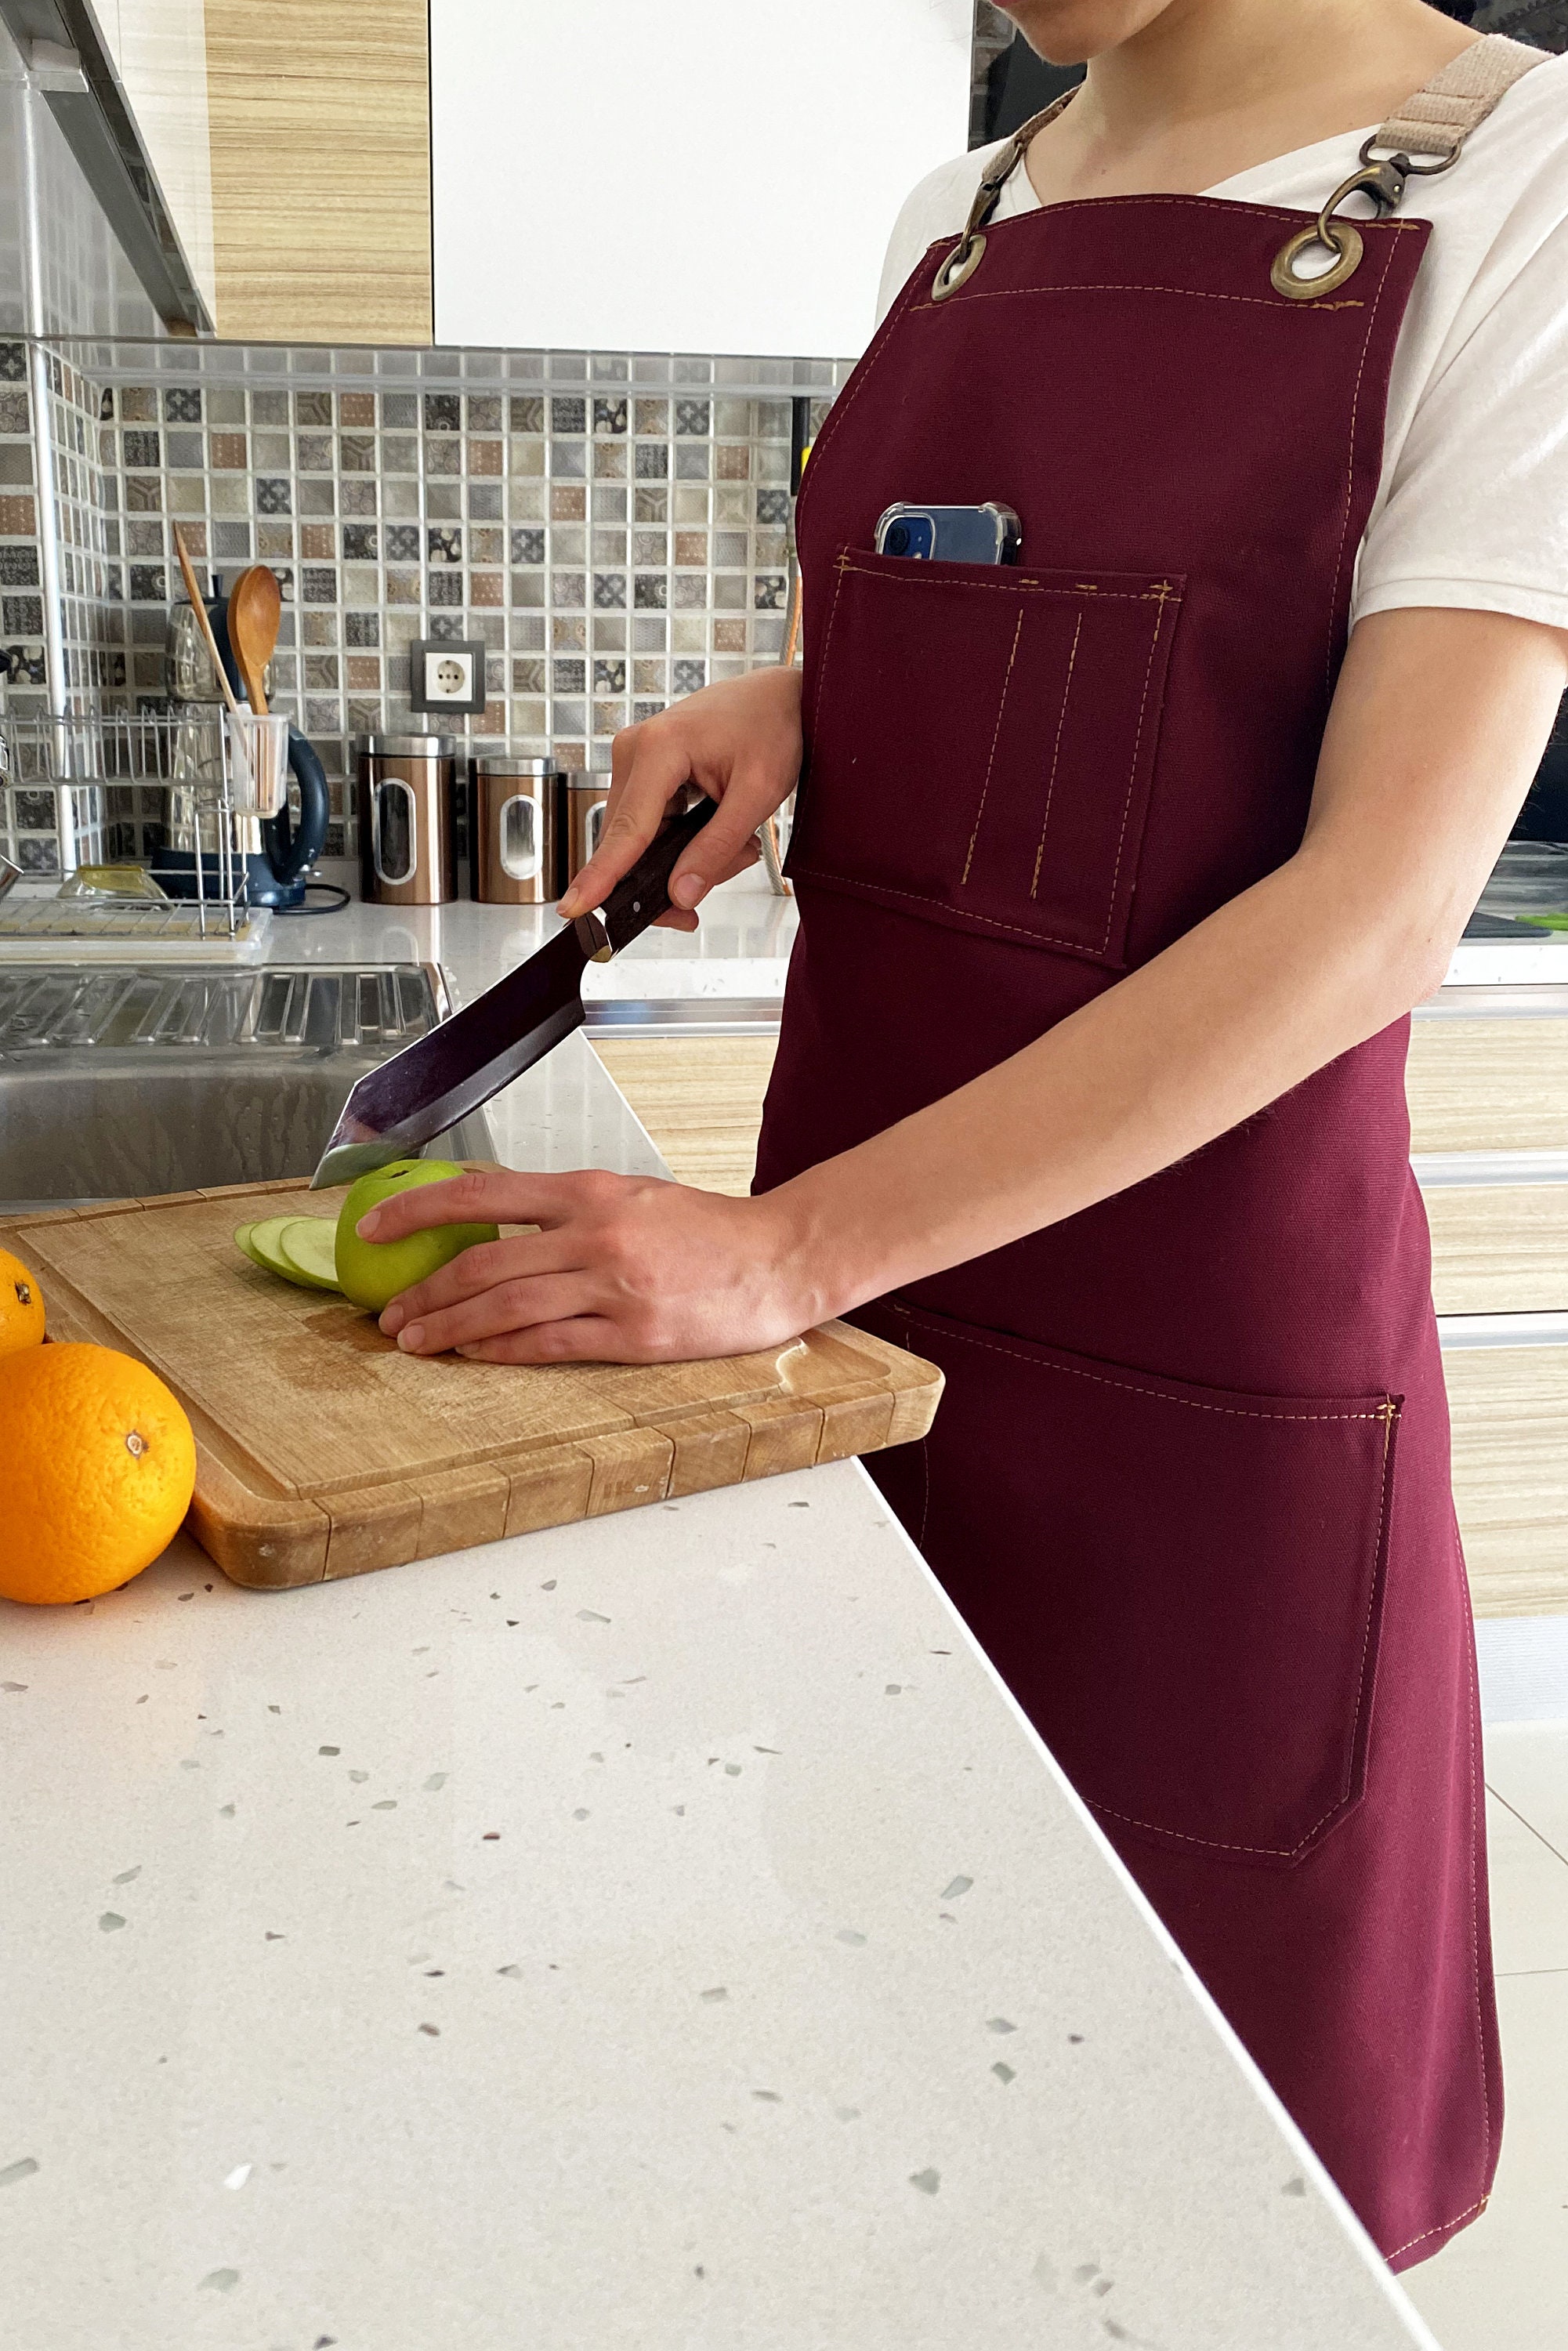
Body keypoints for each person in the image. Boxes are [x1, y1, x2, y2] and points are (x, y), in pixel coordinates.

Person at [356, 0, 1568, 2268]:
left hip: (1198, 1394)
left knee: (1213, 2176)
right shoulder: (968, 210)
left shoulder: (1526, 186)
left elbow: (1375, 903)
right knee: (911, 2037)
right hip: (874, 1326)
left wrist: (790, 1253)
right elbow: (1080, 645)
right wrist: (801, 701)